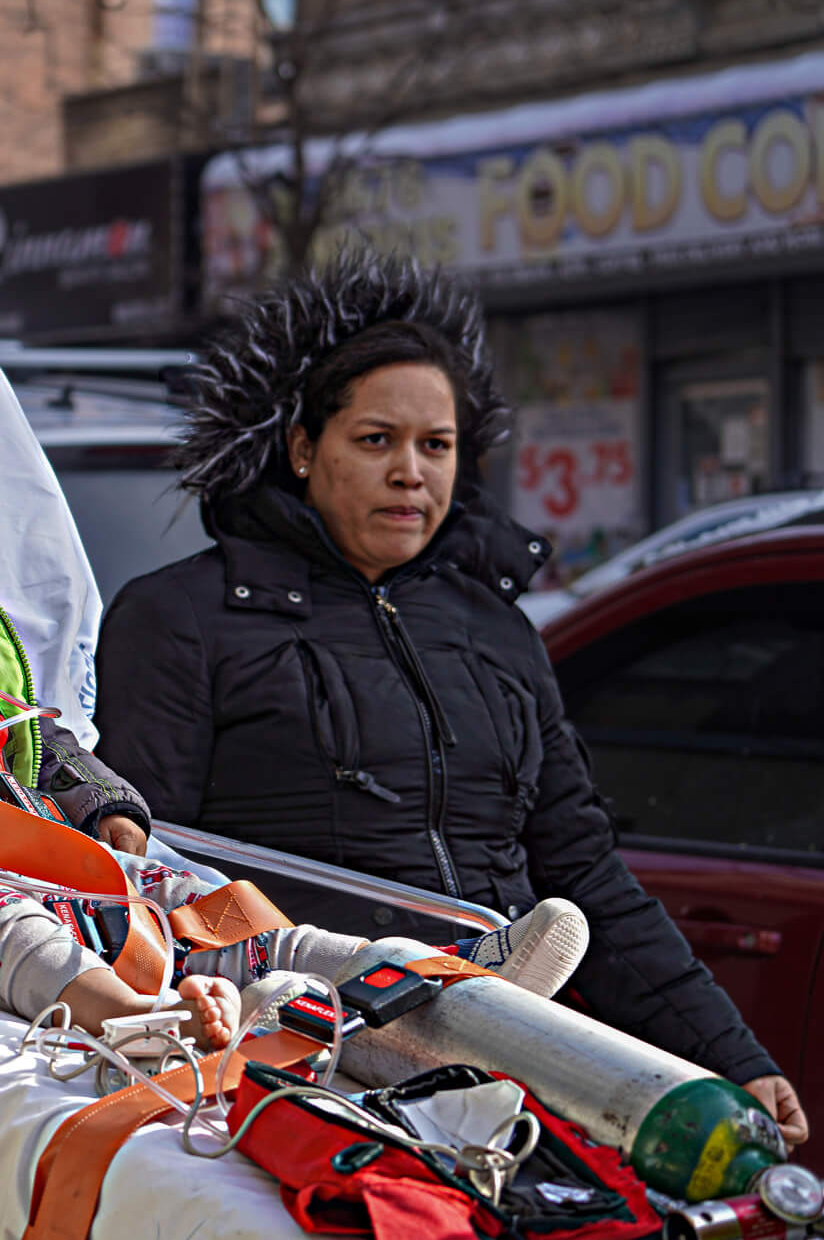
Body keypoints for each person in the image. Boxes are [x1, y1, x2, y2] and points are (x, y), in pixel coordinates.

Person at [92, 249, 808, 1146]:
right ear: (302, 449)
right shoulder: (183, 615)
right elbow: (152, 872)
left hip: (514, 1048)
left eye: (436, 446)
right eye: (376, 440)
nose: (411, 473)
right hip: (304, 1049)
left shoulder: (493, 625)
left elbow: (585, 872)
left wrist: (734, 1057)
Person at [0, 400, 587, 1052]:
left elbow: (31, 728)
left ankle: (439, 984)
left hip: (29, 824)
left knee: (202, 900)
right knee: (0, 924)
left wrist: (103, 801)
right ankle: (139, 1019)